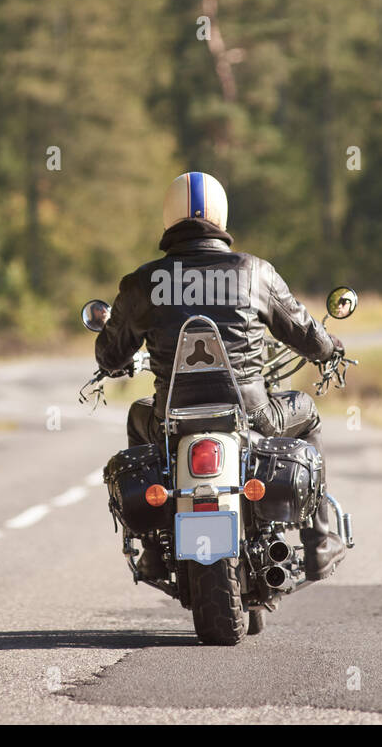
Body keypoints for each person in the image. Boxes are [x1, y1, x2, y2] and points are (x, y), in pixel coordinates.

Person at [95, 171, 347, 582]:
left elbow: (109, 353)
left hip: (169, 420)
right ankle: (319, 542)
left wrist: (114, 362)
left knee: (137, 418)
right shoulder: (254, 272)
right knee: (309, 413)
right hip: (252, 414)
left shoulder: (143, 282)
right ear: (222, 216)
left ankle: (154, 553)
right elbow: (304, 333)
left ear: (168, 217)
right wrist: (329, 348)